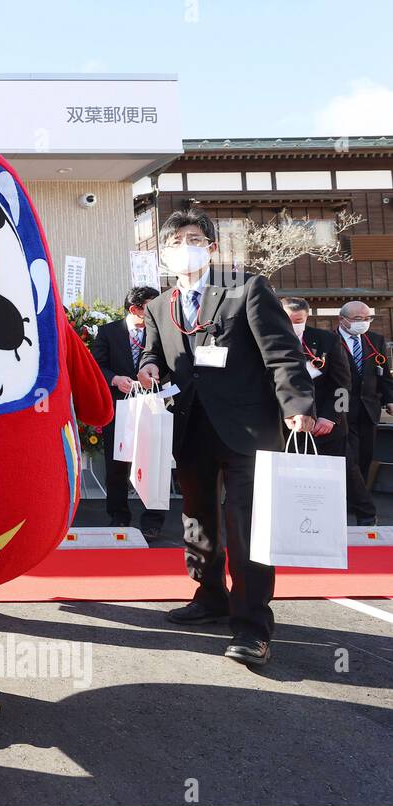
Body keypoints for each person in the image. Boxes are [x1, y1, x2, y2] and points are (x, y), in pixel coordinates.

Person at [137, 209, 315, 667]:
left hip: (248, 431)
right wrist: (147, 367)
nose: (184, 247)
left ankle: (252, 627)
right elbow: (152, 353)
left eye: (193, 238)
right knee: (197, 522)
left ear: (211, 247)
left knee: (246, 527)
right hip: (190, 428)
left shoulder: (247, 289)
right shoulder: (160, 305)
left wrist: (296, 407)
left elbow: (282, 354)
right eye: (175, 241)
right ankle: (210, 596)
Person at [91, 285, 166, 541]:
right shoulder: (109, 332)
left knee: (154, 462)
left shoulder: (163, 331)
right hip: (120, 406)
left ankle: (153, 520)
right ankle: (119, 515)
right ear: (135, 309)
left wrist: (157, 377)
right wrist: (115, 380)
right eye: (151, 308)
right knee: (117, 463)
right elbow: (96, 366)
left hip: (154, 405)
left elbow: (173, 364)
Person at [334, 301, 393, 525]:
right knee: (349, 458)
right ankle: (352, 502)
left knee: (366, 456)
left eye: (367, 318)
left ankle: (357, 499)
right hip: (342, 408)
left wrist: (389, 399)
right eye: (358, 319)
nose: (363, 323)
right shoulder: (329, 340)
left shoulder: (375, 340)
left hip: (369, 407)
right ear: (342, 319)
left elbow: (383, 375)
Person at [281, 297, 350, 458]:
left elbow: (344, 385)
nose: (292, 325)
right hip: (281, 426)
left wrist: (332, 417)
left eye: (298, 320)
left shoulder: (327, 340)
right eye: (287, 320)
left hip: (323, 426)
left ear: (306, 317)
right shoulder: (265, 340)